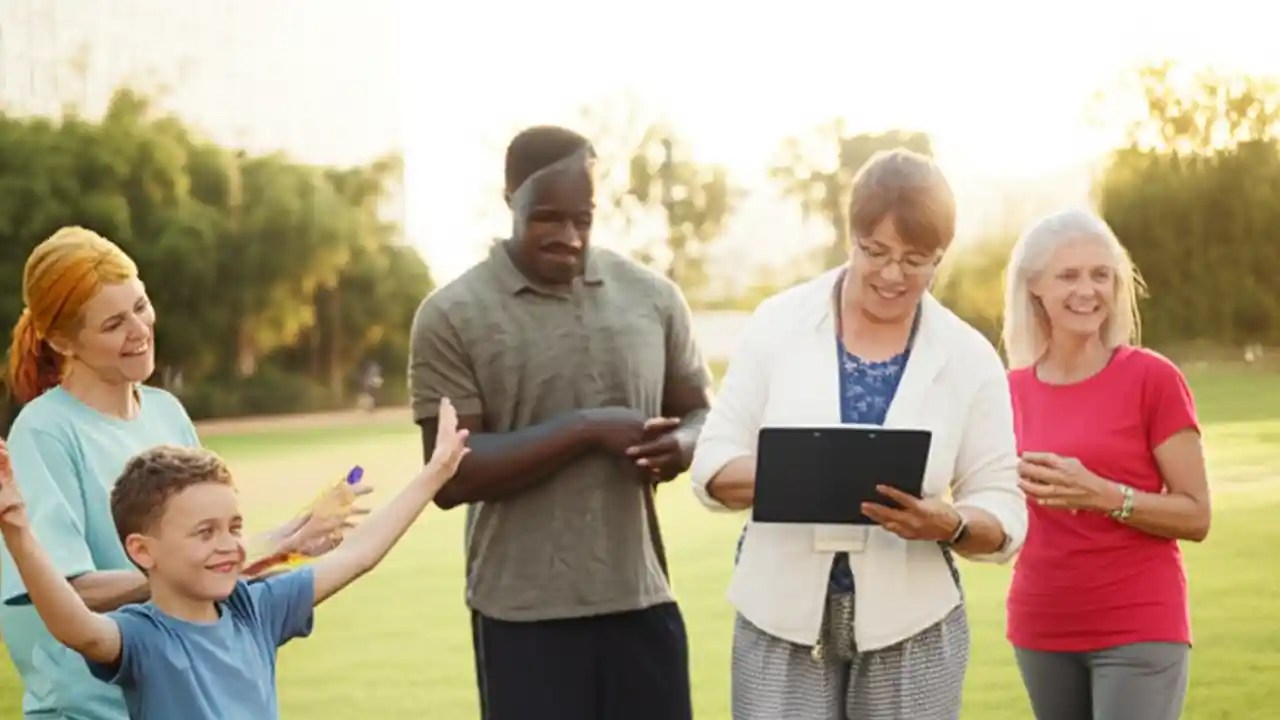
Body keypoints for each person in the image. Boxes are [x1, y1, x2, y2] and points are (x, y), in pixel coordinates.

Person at [689, 148, 1028, 719]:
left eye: (916, 260)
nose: (893, 275)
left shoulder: (969, 357)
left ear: (940, 258)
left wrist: (953, 523)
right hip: (779, 615)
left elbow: (1002, 504)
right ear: (851, 238)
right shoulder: (778, 323)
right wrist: (808, 472)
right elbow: (713, 466)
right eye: (876, 252)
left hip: (913, 621)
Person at [408, 125, 712, 720]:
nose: (569, 238)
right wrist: (585, 428)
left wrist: (683, 442)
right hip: (522, 616)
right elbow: (452, 477)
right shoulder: (451, 314)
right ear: (510, 199)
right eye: (548, 217)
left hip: (641, 602)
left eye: (584, 218)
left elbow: (705, 412)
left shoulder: (652, 297)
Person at [0, 226, 368, 719]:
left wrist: (295, 536)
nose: (139, 329)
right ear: (62, 340)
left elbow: (205, 559)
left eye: (141, 305)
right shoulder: (44, 433)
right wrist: (260, 547)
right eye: (113, 324)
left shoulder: (166, 412)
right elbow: (71, 592)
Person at [0, 397, 469, 719]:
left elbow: (362, 552)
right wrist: (17, 524)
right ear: (143, 551)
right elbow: (73, 625)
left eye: (235, 527)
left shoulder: (256, 609)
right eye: (205, 533)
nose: (228, 545)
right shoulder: (141, 636)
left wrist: (436, 472)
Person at [1002, 208, 1211, 720]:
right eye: (1068, 275)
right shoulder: (1008, 392)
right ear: (1035, 287)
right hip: (1041, 624)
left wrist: (1102, 495)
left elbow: (1196, 515)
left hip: (1138, 623)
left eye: (1101, 275)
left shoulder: (1152, 379)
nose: (1087, 290)